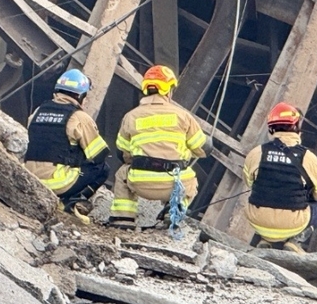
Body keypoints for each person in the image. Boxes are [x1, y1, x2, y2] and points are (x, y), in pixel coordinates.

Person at [108, 65, 207, 229]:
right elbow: (201, 148)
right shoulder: (182, 116)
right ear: (168, 90)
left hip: (140, 183)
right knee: (190, 177)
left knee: (122, 174)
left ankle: (123, 219)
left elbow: (123, 152)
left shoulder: (130, 117)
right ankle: (173, 210)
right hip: (172, 185)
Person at [24, 69, 110, 222]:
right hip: (58, 182)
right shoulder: (79, 117)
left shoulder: (38, 111)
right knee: (102, 168)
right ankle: (68, 203)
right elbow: (99, 155)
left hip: (30, 177)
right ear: (80, 96)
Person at [243, 102, 317, 253]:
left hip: (257, 221)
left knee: (262, 193)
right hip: (293, 225)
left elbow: (249, 183)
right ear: (297, 128)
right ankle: (295, 242)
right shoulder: (308, 158)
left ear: (271, 128)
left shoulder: (256, 153)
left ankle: (265, 240)